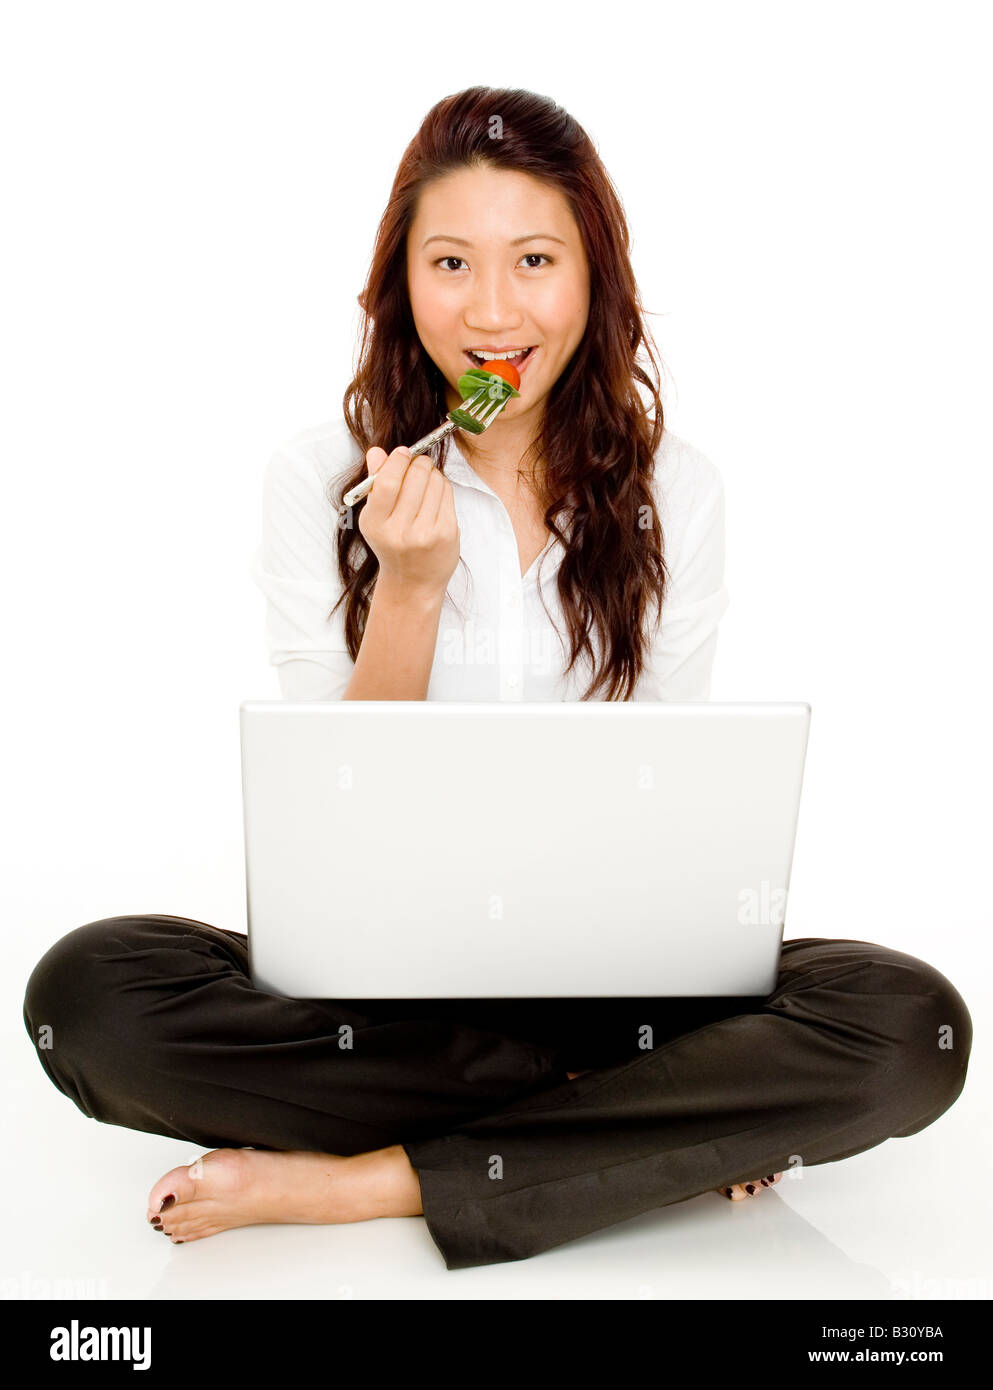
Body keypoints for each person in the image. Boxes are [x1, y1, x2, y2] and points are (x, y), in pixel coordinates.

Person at [22, 86, 972, 1271]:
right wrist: (410, 588)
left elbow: (665, 795)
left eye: (533, 260)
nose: (492, 311)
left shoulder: (678, 491)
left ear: (594, 277)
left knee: (907, 1025)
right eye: (450, 263)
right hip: (379, 989)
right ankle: (655, 1120)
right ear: (400, 282)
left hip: (615, 979)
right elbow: (342, 822)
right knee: (91, 995)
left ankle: (370, 1180)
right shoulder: (317, 479)